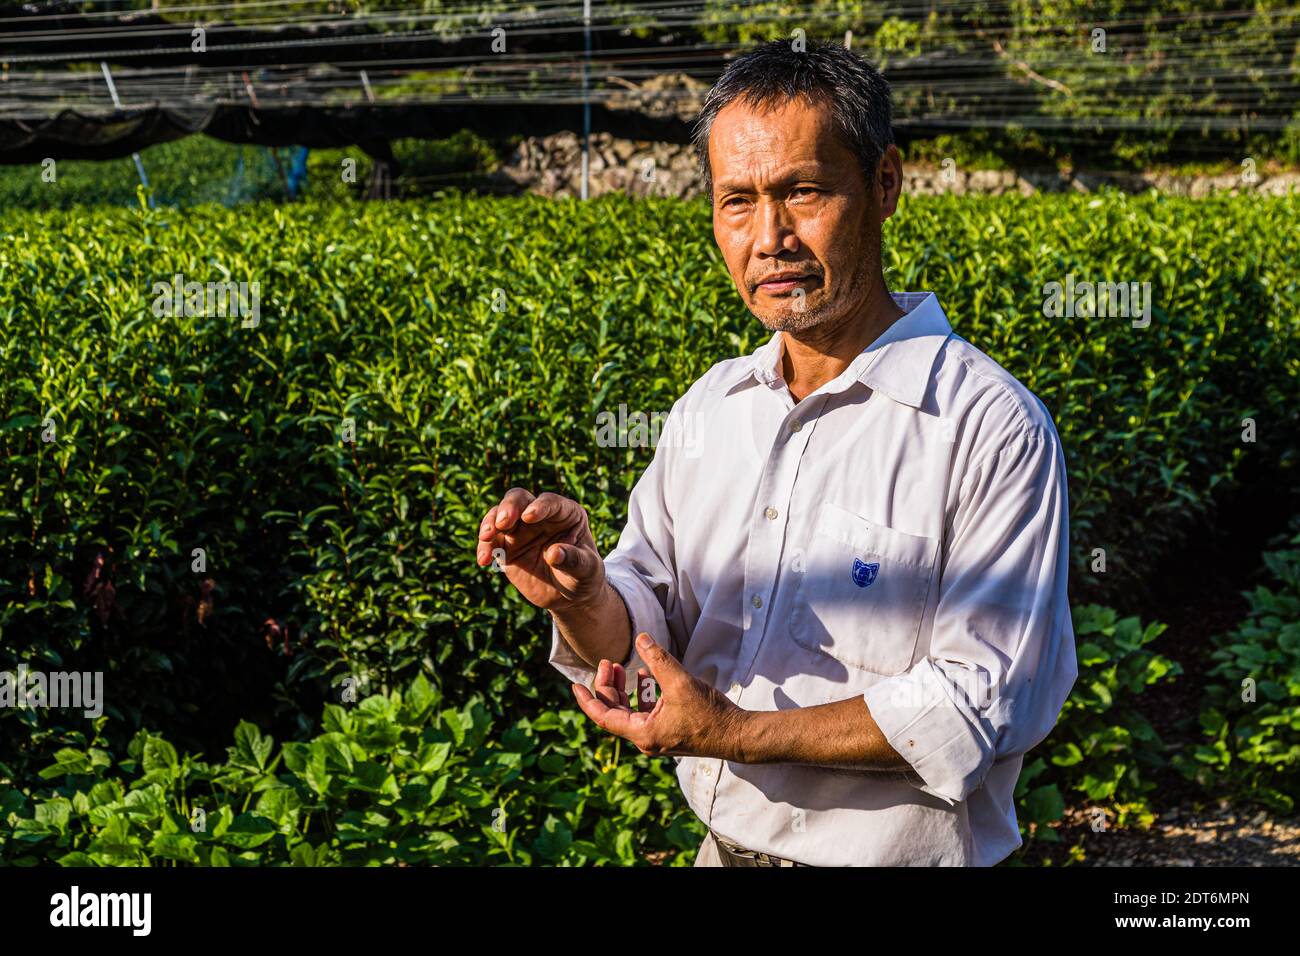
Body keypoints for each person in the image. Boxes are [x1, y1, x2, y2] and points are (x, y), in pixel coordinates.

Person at [475, 38, 1077, 867]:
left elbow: (980, 697)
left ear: (885, 184)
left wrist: (736, 734)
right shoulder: (712, 409)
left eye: (802, 192)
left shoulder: (987, 427)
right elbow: (652, 623)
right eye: (737, 201)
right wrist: (581, 596)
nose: (770, 238)